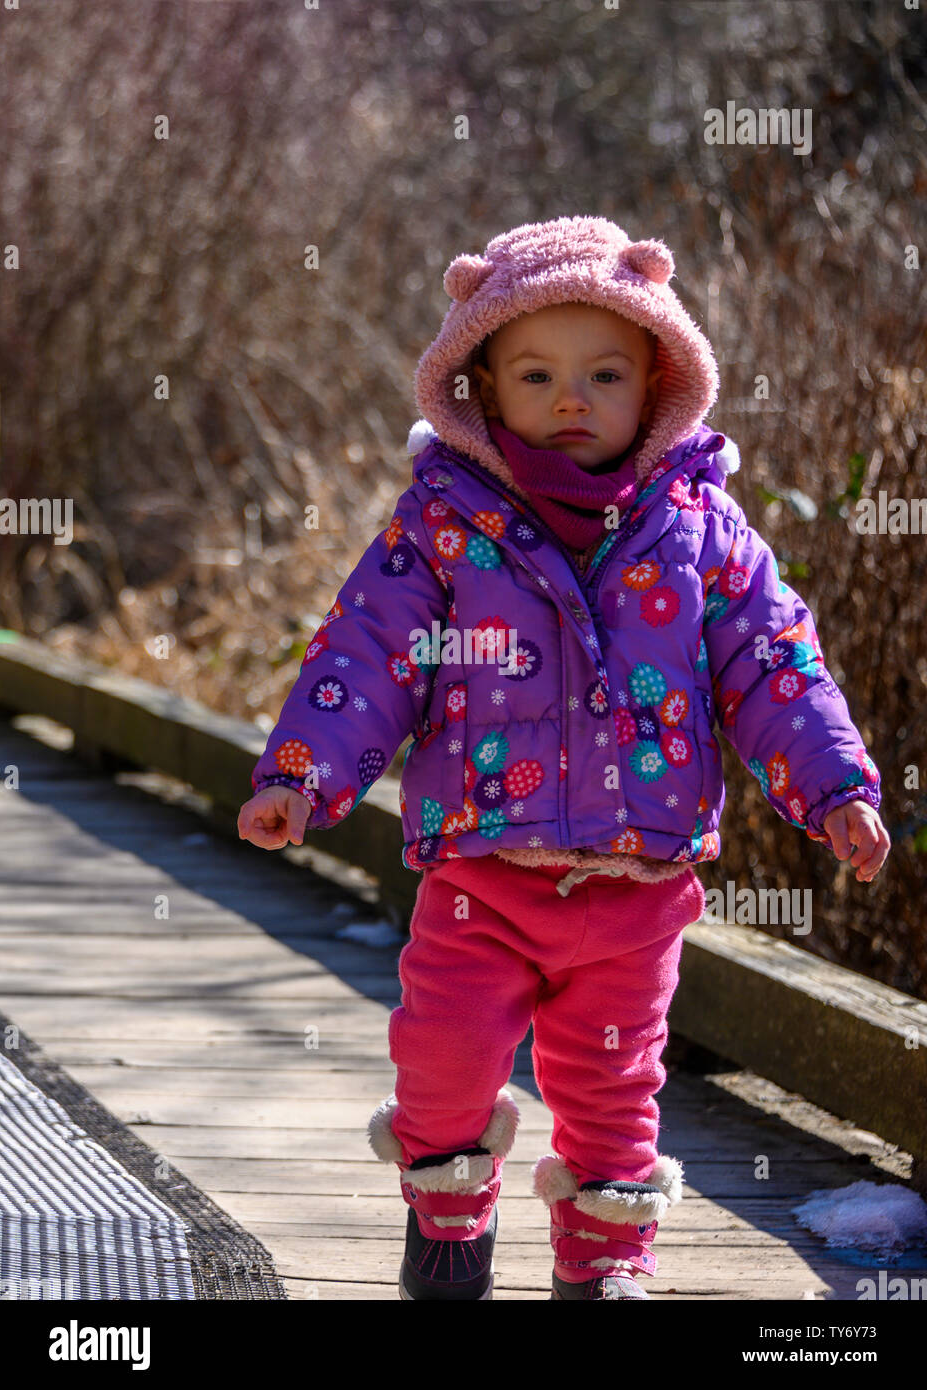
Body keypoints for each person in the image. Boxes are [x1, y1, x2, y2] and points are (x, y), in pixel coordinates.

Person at [237, 215, 890, 1301]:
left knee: (612, 1086)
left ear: (659, 382)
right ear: (483, 390)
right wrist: (301, 775)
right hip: (479, 877)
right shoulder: (445, 525)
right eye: (537, 374)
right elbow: (369, 650)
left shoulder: (701, 531)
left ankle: (604, 1265)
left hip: (635, 885)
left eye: (604, 374)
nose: (571, 399)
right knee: (440, 1062)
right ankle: (447, 1230)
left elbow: (775, 666)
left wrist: (834, 789)